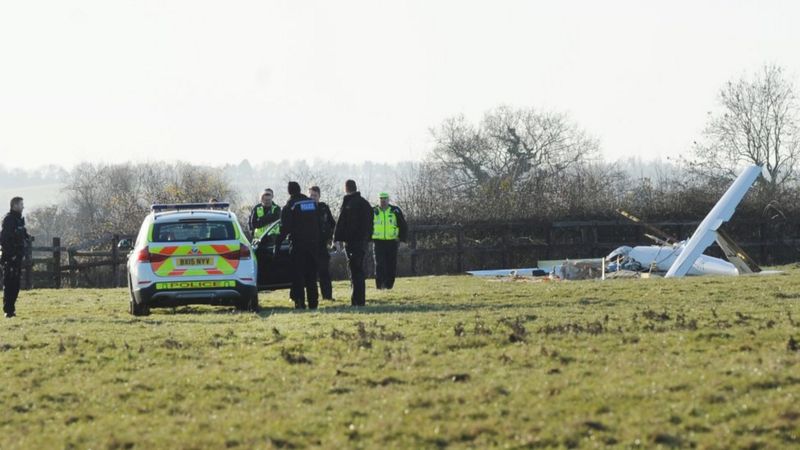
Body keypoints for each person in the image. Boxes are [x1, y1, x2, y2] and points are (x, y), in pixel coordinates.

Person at [275, 181, 322, 309]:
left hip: (298, 246)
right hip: (313, 245)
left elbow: (285, 228)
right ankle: (314, 303)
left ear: (289, 191)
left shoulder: (290, 205)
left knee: (299, 275)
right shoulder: (311, 203)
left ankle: (300, 303)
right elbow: (319, 223)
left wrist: (277, 244)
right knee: (312, 276)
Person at [333, 180, 373, 307]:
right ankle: (359, 300)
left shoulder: (348, 203)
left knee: (355, 272)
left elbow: (341, 223)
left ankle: (357, 301)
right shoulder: (365, 204)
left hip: (352, 243)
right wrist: (367, 238)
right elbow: (370, 223)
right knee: (359, 270)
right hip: (362, 243)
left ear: (346, 188)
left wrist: (337, 238)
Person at [372, 192, 408, 290]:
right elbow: (366, 226)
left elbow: (403, 225)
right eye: (381, 199)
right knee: (379, 265)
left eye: (385, 199)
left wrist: (403, 240)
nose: (383, 201)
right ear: (378, 200)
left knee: (391, 265)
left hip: (392, 242)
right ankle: (380, 287)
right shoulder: (373, 211)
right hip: (378, 242)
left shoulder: (395, 210)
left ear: (388, 199)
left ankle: (389, 286)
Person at [1, 197, 30, 318]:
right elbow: (4, 239)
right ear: (14, 206)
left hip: (17, 257)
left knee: (16, 284)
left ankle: (11, 310)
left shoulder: (19, 220)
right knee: (10, 283)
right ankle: (8, 311)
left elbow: (22, 235)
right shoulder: (9, 220)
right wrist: (11, 255)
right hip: (10, 258)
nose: (23, 207)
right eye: (21, 204)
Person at [309, 186, 336, 300]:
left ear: (319, 196)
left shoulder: (324, 208)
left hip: (322, 245)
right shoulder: (305, 208)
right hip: (310, 245)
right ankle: (312, 297)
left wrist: (332, 238)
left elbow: (332, 223)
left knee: (324, 271)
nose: (312, 198)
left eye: (314, 195)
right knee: (310, 273)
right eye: (310, 195)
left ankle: (327, 296)